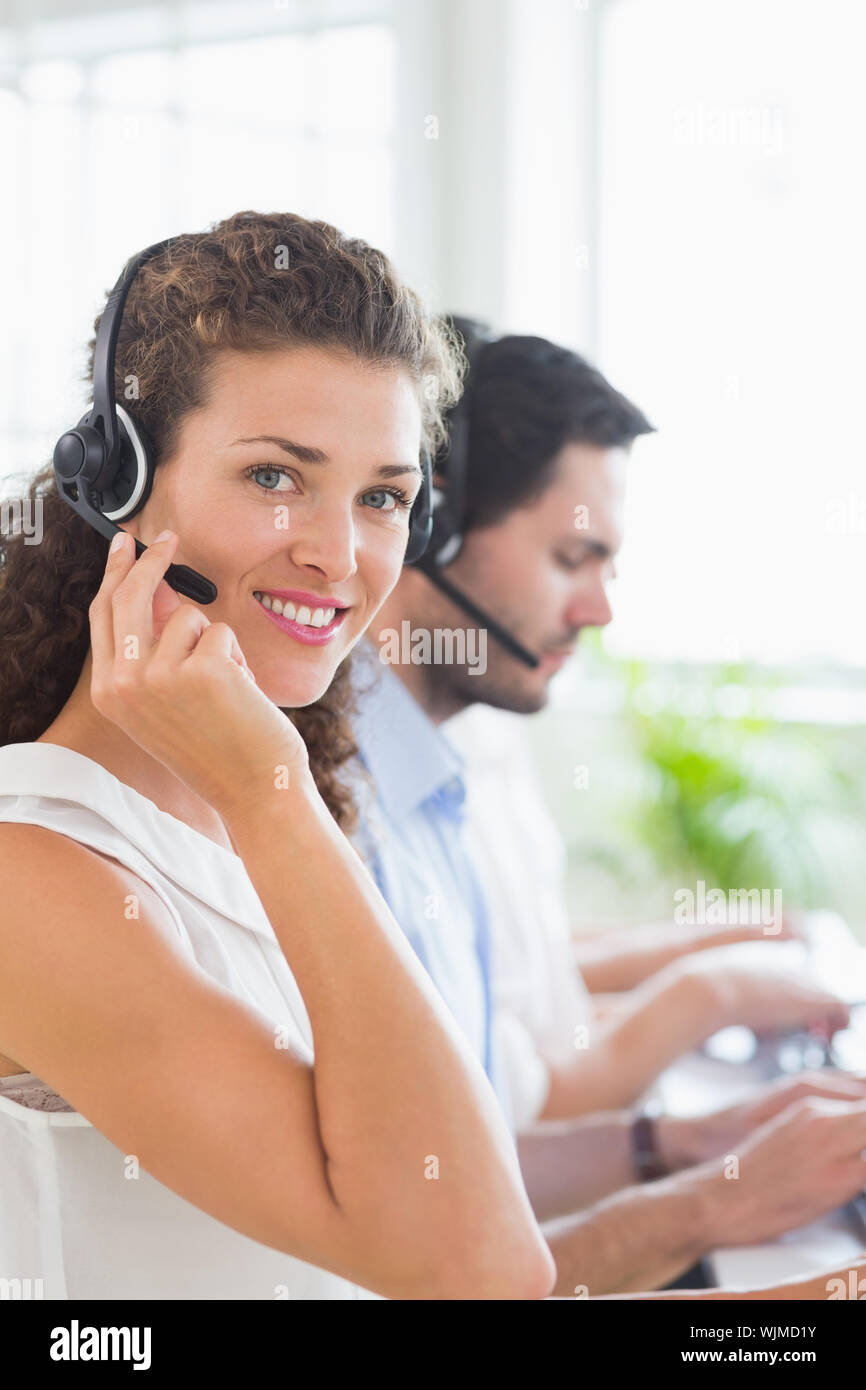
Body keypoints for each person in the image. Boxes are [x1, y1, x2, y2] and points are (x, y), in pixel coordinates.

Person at [0, 215, 554, 1301]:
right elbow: (477, 1268)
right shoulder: (36, 876)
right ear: (116, 479)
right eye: (273, 477)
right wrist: (271, 793)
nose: (339, 555)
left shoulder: (270, 817)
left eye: (382, 496)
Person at [348, 320, 866, 1296]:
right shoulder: (340, 812)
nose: (598, 609)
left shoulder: (432, 790)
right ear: (431, 528)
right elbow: (430, 1270)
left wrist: (693, 1142)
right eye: (571, 556)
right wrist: (718, 1202)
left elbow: (483, 1150)